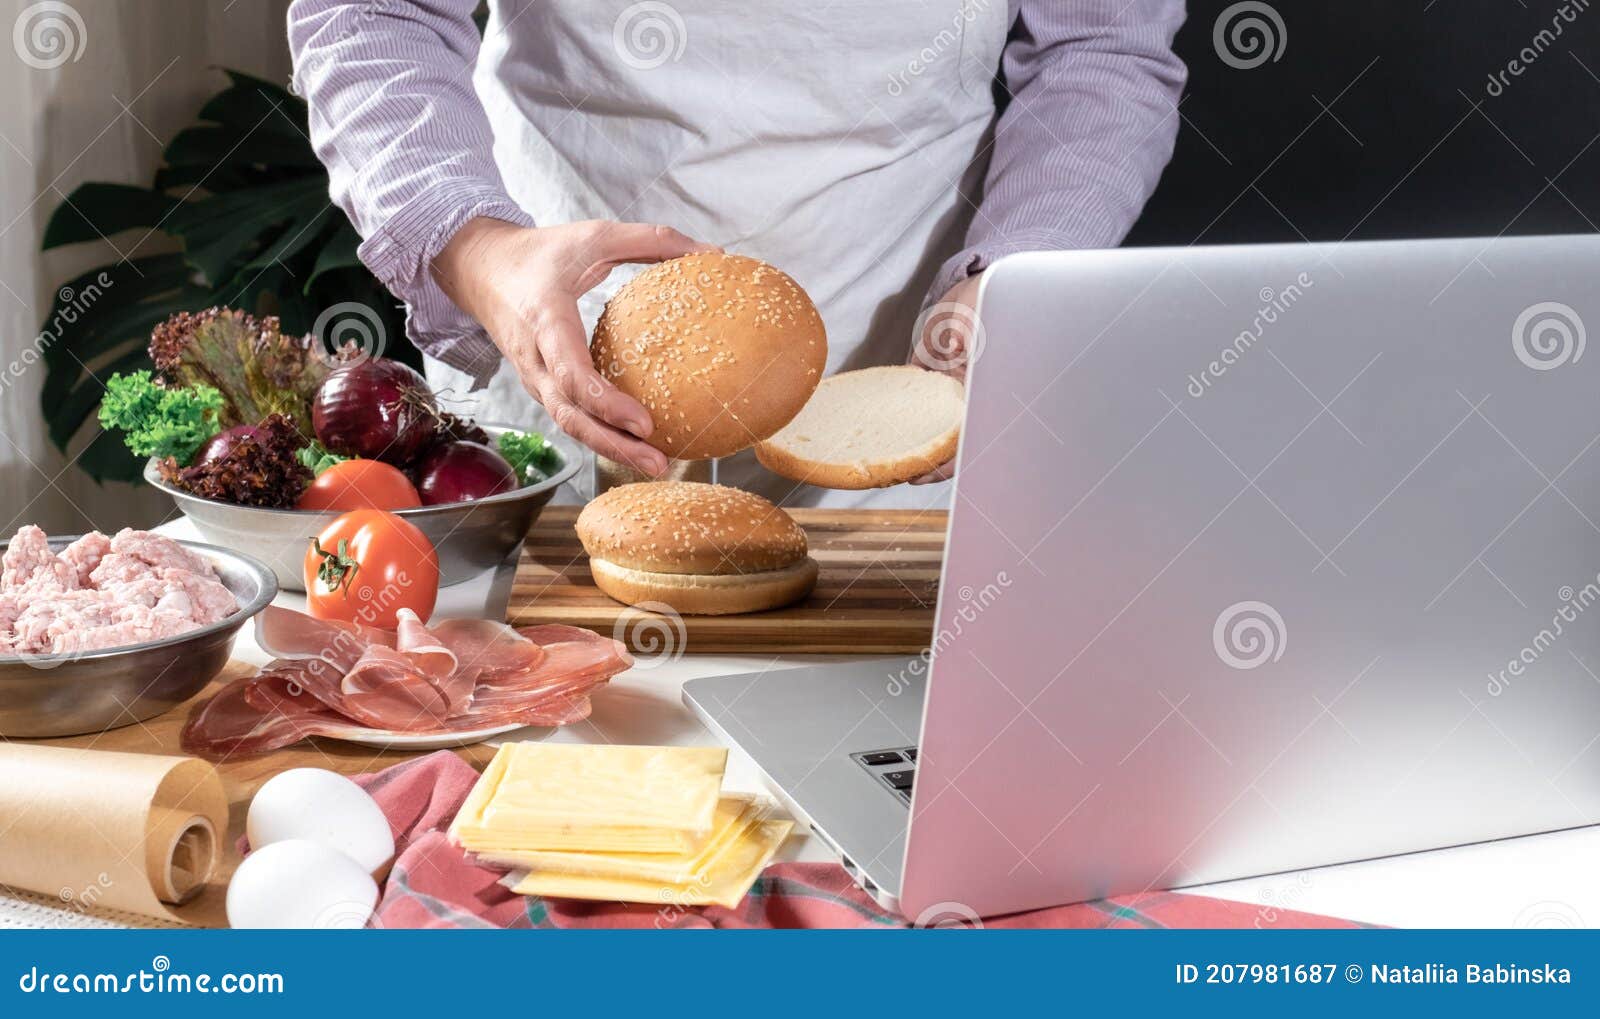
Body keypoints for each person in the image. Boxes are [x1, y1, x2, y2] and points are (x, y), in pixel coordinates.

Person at [287, 0, 1186, 506]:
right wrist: (482, 252)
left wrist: (1015, 277)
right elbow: (372, 10)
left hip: (910, 403)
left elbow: (1099, 49)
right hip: (551, 372)